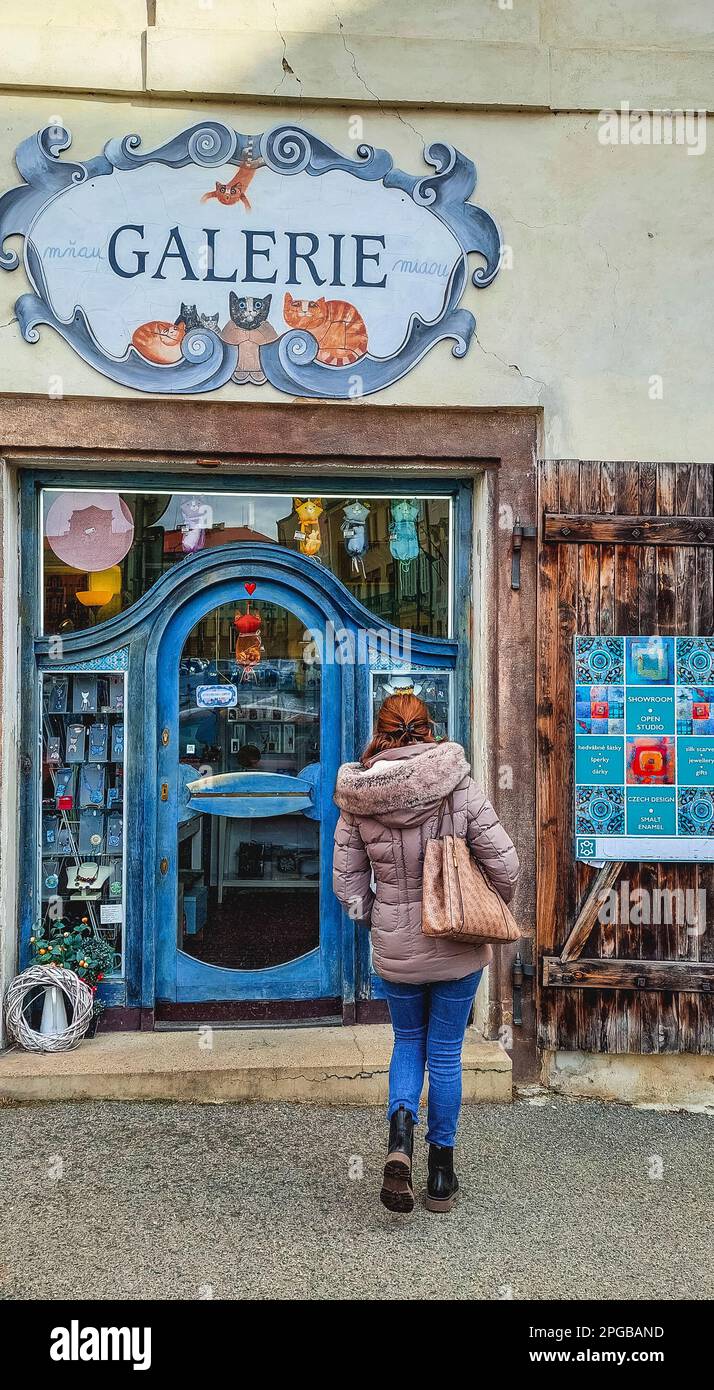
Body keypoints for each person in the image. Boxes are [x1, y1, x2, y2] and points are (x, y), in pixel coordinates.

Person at [333, 693, 519, 1214]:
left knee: (406, 1044)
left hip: (397, 949)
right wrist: (482, 904)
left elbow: (347, 885)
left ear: (382, 730)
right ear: (427, 726)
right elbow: (506, 865)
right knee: (445, 1055)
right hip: (458, 946)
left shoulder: (358, 794)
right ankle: (441, 1174)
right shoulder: (457, 782)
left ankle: (399, 1145)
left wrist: (379, 915)